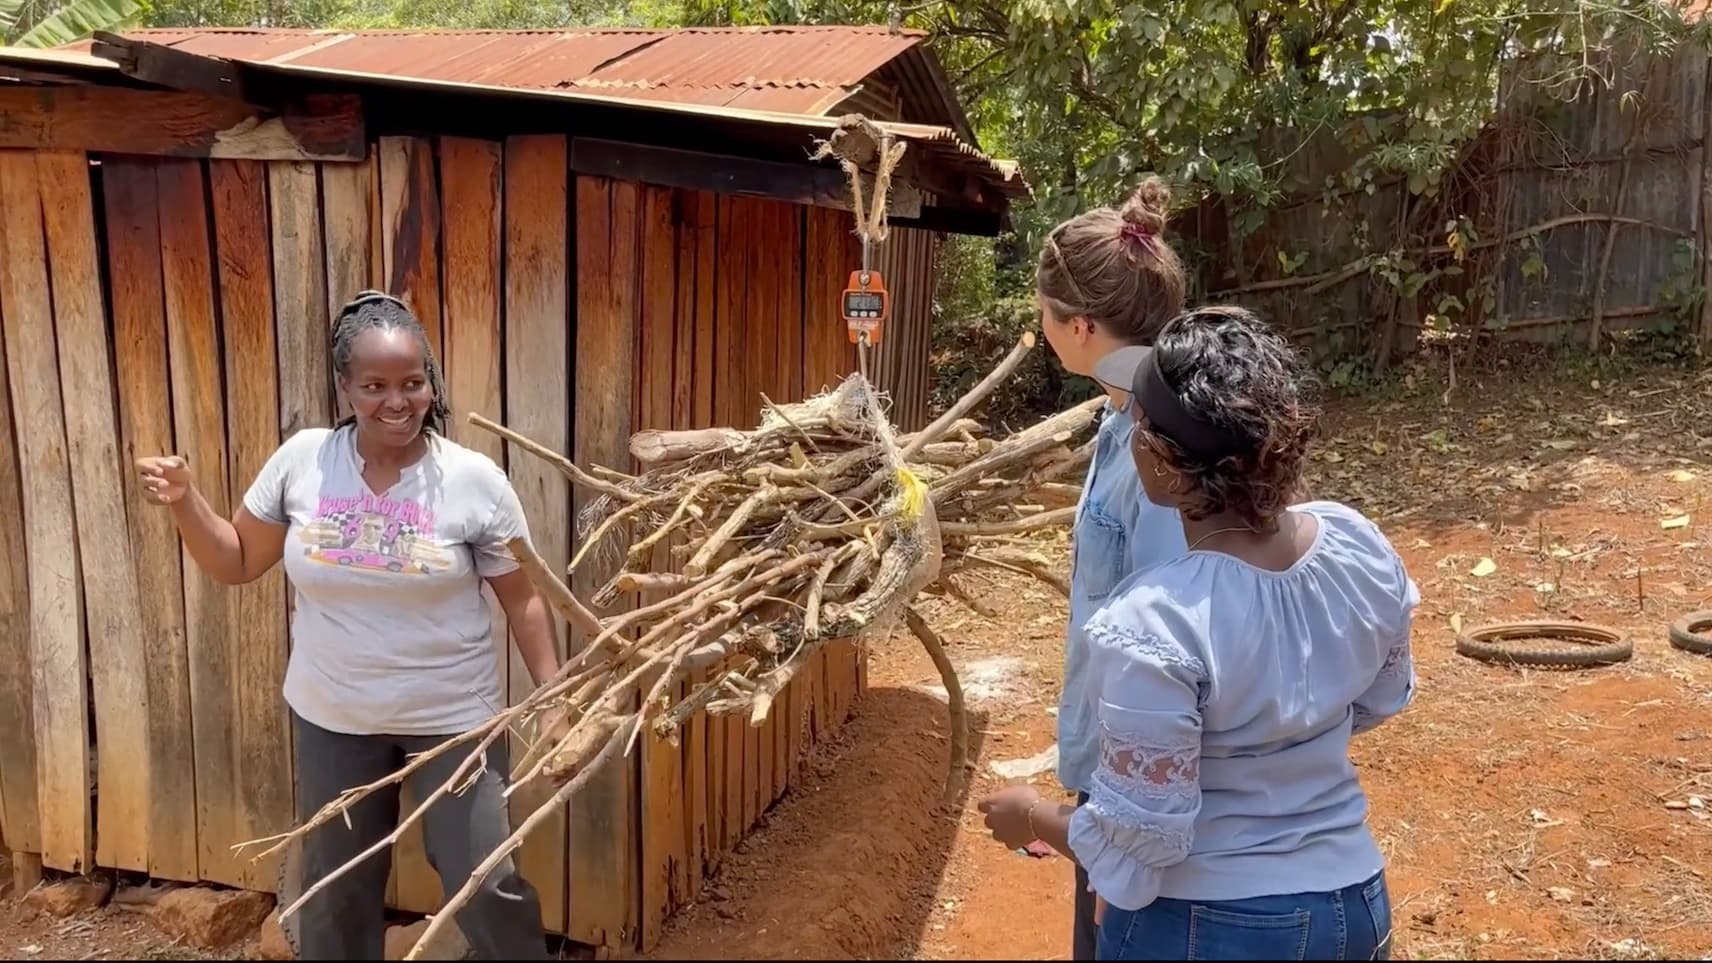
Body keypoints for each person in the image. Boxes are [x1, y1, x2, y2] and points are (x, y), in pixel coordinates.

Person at [136, 291, 599, 961]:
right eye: (375, 384)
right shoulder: (304, 462)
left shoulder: (474, 480)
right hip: (335, 715)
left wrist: (554, 702)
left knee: (485, 877)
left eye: (412, 382)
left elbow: (523, 599)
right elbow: (236, 561)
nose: (397, 400)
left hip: (452, 718)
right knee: (337, 891)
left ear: (430, 382)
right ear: (345, 386)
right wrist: (186, 503)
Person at [977, 306, 1418, 961]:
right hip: (1354, 907)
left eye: (1140, 423)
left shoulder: (1153, 622)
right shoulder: (1355, 546)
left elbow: (1139, 841)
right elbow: (1382, 695)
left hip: (1209, 925)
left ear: (1156, 460)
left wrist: (1030, 815)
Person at [1032, 178, 1193, 960]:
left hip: (1141, 799)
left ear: (1082, 325)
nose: (1041, 325)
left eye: (1046, 312)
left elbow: (1170, 643)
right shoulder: (1118, 416)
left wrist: (1113, 839)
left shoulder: (1157, 450)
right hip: (1115, 784)